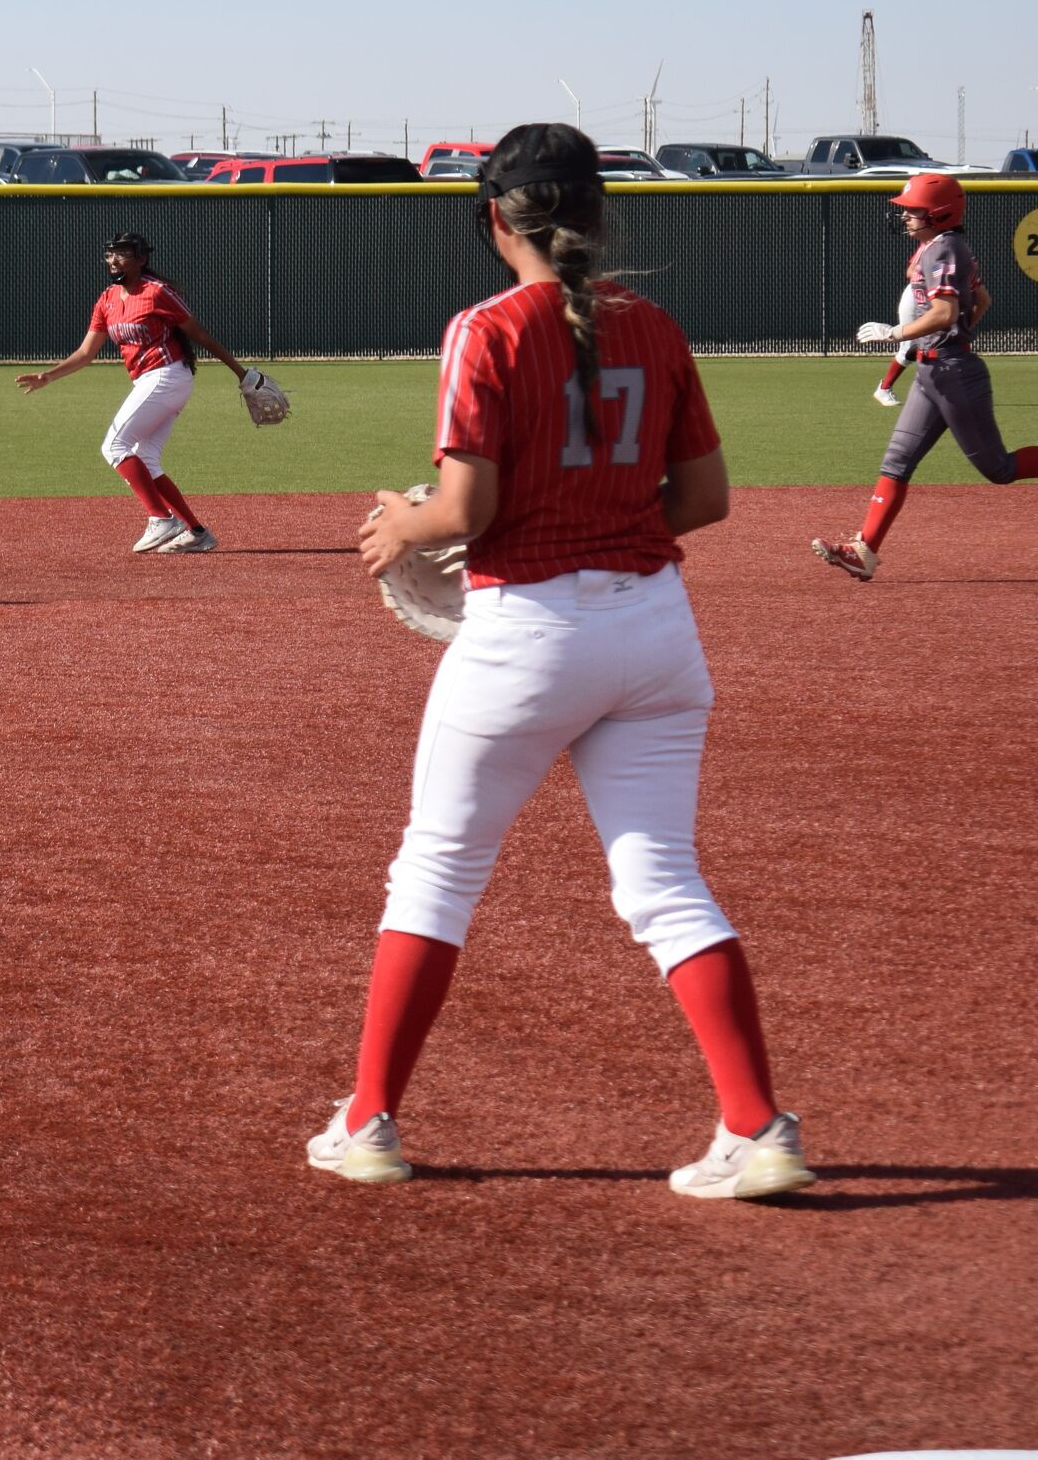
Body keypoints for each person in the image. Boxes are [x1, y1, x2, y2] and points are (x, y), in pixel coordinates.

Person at [309, 122, 814, 1201]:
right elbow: (705, 499)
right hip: (655, 634)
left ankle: (368, 1123)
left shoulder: (484, 328)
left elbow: (465, 508)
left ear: (492, 220)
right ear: (597, 214)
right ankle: (757, 1127)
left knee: (436, 870)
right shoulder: (654, 326)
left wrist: (402, 523)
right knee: (664, 883)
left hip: (527, 636)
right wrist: (597, 524)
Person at [813, 173, 1038, 580]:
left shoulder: (944, 248)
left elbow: (946, 312)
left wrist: (896, 333)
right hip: (933, 370)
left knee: (999, 469)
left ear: (939, 213)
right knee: (896, 462)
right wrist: (951, 336)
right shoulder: (936, 247)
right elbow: (982, 301)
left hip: (953, 373)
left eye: (913, 210)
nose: (905, 216)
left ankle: (865, 549)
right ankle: (864, 551)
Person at [16, 230, 254, 554]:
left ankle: (161, 518)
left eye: (123, 253)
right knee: (145, 458)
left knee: (114, 446)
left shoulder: (157, 292)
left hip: (168, 375)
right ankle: (197, 532)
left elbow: (199, 334)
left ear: (142, 259)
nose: (114, 260)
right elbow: (86, 352)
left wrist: (240, 372)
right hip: (149, 381)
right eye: (110, 254)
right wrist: (49, 376)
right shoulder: (107, 300)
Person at [871, 257, 924, 407]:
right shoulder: (928, 247)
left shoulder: (957, 250)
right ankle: (884, 389)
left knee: (941, 344)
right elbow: (910, 272)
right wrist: (935, 273)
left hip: (938, 300)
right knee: (908, 348)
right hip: (916, 297)